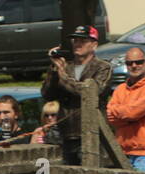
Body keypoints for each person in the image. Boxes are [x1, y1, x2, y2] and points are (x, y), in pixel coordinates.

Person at [40, 25, 113, 165]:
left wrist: (63, 76)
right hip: (66, 134)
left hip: (91, 134)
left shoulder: (103, 67)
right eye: (75, 41)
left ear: (94, 44)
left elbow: (90, 92)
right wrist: (54, 71)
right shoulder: (66, 66)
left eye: (83, 41)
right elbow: (47, 94)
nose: (78, 44)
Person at [106, 47, 145, 171]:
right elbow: (109, 116)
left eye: (138, 62)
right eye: (129, 63)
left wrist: (124, 114)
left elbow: (131, 113)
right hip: (122, 152)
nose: (134, 66)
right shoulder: (120, 89)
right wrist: (128, 116)